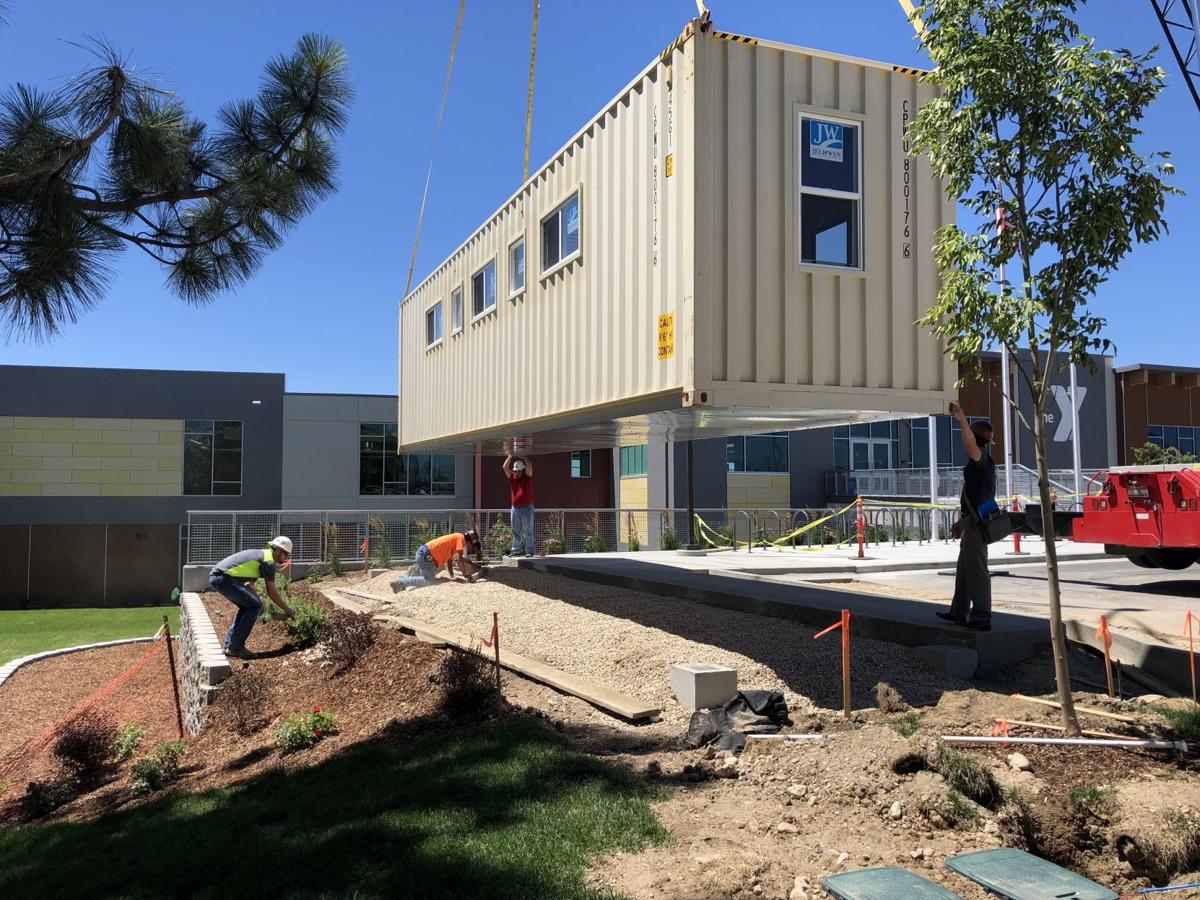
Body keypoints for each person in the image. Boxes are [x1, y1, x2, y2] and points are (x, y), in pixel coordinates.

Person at [937, 402, 997, 631]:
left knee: (977, 572)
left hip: (977, 525)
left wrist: (962, 420)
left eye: (972, 435)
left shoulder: (980, 461)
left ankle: (982, 618)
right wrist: (963, 521)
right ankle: (958, 612)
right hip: (973, 521)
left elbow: (970, 444)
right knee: (965, 570)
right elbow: (979, 498)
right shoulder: (983, 464)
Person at [209, 536, 296, 658]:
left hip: (220, 577)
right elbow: (272, 592)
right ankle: (236, 647)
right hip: (222, 578)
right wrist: (288, 610)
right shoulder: (268, 561)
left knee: (249, 607)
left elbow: (248, 584)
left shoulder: (262, 556)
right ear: (278, 551)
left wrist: (262, 607)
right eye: (285, 554)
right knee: (254, 606)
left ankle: (229, 646)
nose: (286, 557)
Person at [390, 529, 484, 592]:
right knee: (429, 580)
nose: (469, 546)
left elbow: (449, 560)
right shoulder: (460, 538)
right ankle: (401, 583)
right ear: (469, 540)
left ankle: (402, 580)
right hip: (426, 555)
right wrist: (464, 574)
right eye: (470, 544)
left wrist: (452, 576)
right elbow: (459, 559)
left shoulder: (456, 539)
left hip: (424, 553)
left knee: (429, 578)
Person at [503, 453, 536, 557]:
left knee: (528, 531)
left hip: (527, 508)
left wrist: (522, 457)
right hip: (515, 508)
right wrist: (510, 456)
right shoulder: (512, 478)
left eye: (519, 471)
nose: (517, 472)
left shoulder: (528, 477)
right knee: (516, 531)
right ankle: (515, 551)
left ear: (522, 470)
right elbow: (504, 467)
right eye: (516, 471)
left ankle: (529, 551)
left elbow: (530, 464)